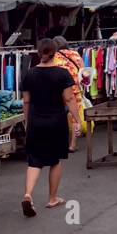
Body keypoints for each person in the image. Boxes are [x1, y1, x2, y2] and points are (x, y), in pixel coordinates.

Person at [20, 38, 79, 216]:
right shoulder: (62, 74)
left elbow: (26, 101)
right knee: (55, 160)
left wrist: (26, 121)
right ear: (56, 53)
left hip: (36, 121)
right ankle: (52, 198)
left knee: (35, 161)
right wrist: (77, 120)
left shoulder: (29, 74)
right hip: (57, 122)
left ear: (39, 52)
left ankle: (28, 194)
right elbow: (69, 99)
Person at [52, 36, 85, 153]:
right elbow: (83, 71)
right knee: (75, 117)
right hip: (75, 89)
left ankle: (60, 143)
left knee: (59, 116)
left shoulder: (54, 56)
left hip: (58, 90)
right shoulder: (75, 54)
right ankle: (73, 144)